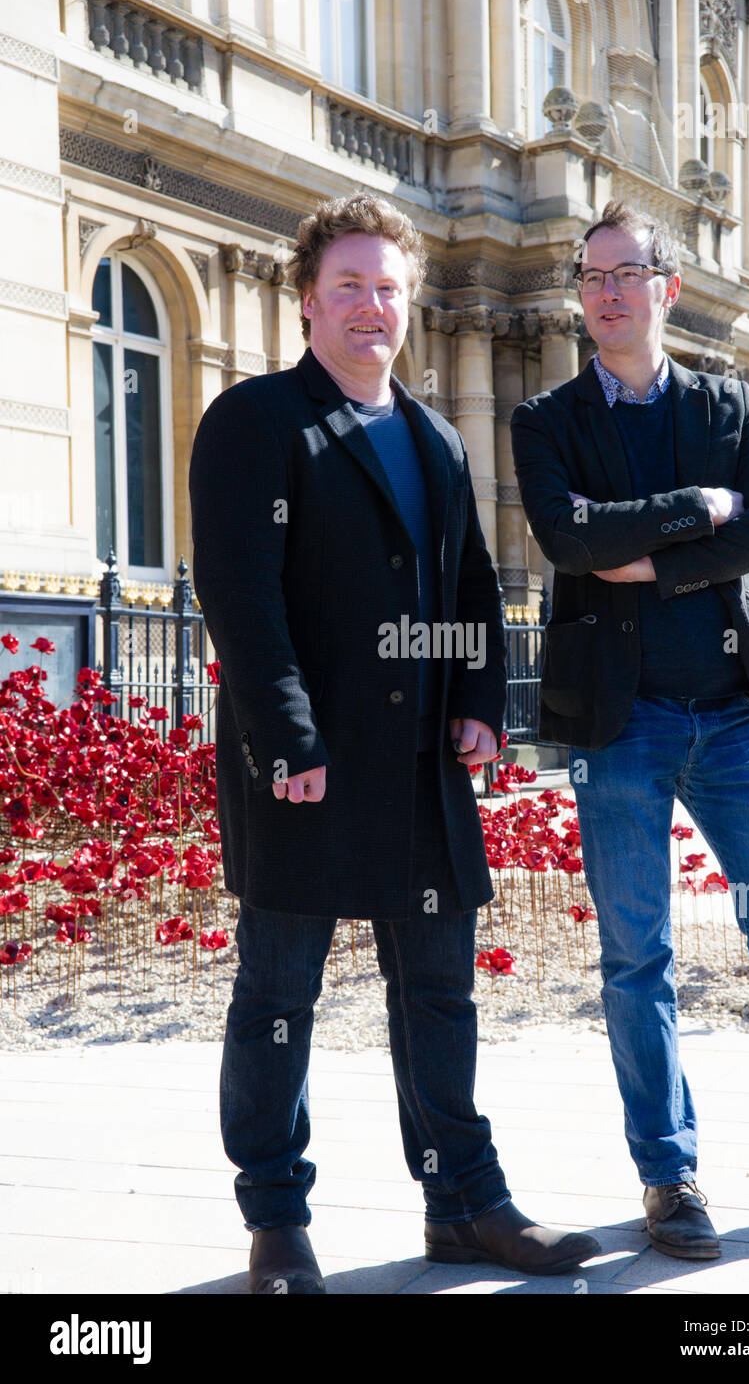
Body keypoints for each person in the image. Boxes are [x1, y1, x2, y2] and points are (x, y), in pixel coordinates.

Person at [188, 191, 600, 1293]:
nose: (372, 307)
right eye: (350, 287)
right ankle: (276, 1219)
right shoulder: (255, 421)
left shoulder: (434, 438)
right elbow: (241, 597)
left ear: (409, 303)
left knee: (439, 994)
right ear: (309, 300)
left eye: (388, 288)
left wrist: (478, 692)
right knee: (277, 997)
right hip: (307, 771)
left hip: (421, 774)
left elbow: (471, 583)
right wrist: (290, 738)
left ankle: (463, 1203)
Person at [511, 199, 749, 1260]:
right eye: (590, 277)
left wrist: (656, 558)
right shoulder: (546, 421)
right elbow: (568, 539)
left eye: (625, 274)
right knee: (636, 958)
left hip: (730, 719)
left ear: (668, 289)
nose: (606, 293)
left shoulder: (725, 401)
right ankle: (669, 1179)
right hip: (617, 724)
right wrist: (693, 509)